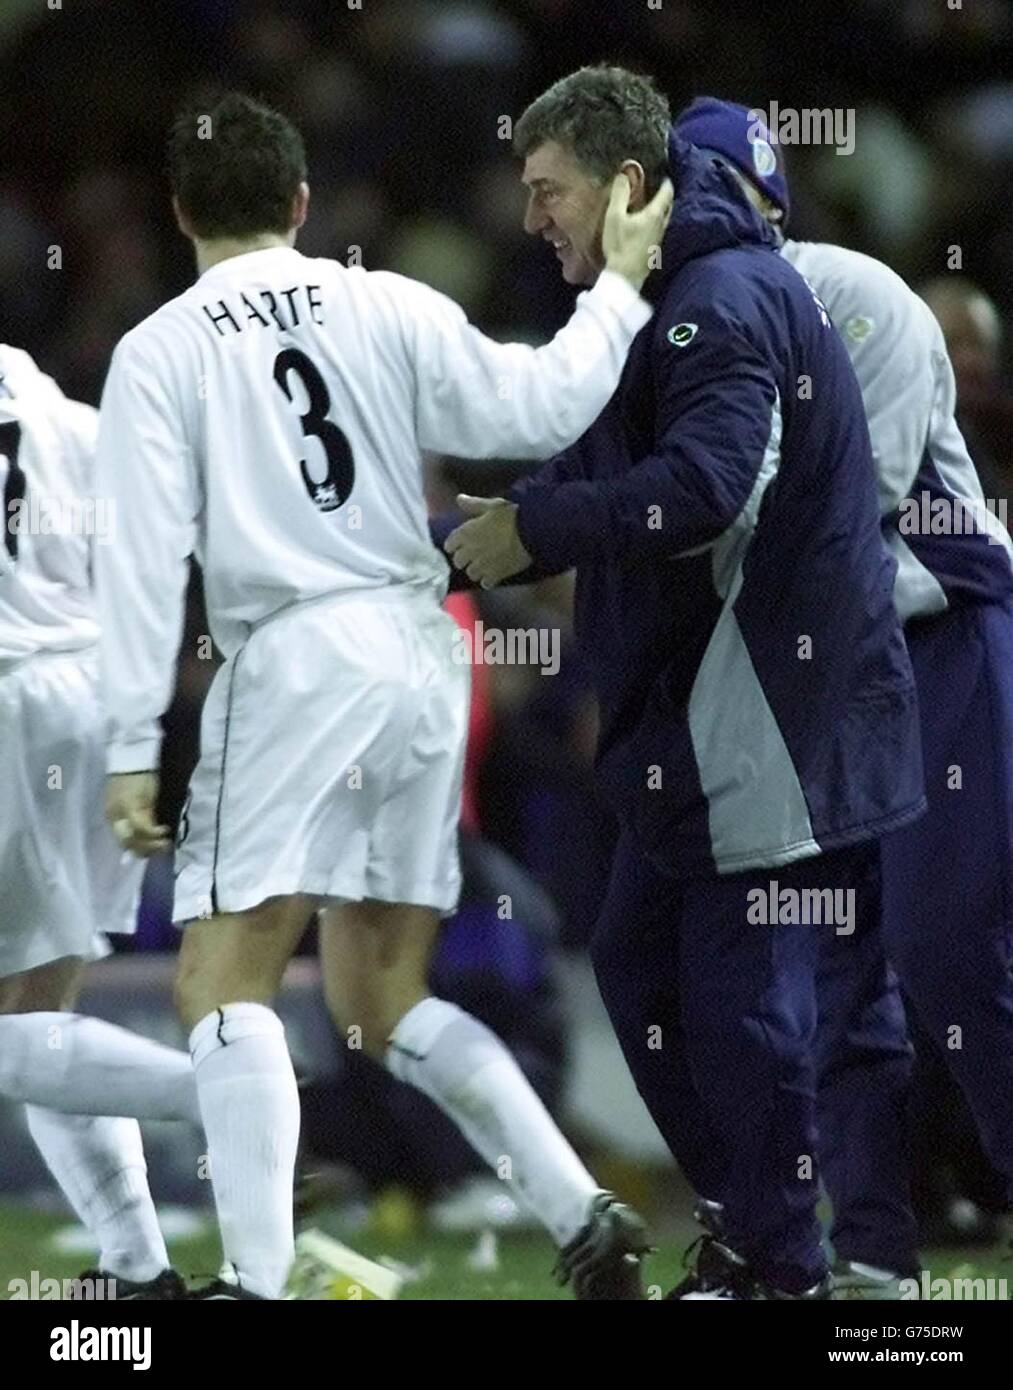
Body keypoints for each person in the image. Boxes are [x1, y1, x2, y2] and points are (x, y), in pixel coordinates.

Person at [95, 91, 673, 1301]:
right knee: (378, 995)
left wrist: (132, 744)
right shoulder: (388, 302)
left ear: (180, 209)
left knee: (221, 979)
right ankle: (580, 1212)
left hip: (295, 656)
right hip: (423, 649)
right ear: (302, 204)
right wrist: (617, 288)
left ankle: (255, 1286)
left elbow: (142, 562)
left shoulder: (159, 349)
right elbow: (533, 409)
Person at [444, 65, 925, 1300]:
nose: (531, 216)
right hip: (691, 709)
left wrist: (535, 532)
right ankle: (757, 1229)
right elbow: (595, 447)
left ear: (624, 185)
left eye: (546, 190)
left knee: (735, 1000)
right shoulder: (655, 297)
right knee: (636, 966)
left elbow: (702, 488)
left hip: (764, 707)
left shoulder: (717, 298)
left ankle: (786, 1267)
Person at [671, 97, 1013, 1291]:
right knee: (837, 969)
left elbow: (844, 513)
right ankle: (872, 1257)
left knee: (947, 951)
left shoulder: (854, 293)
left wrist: (671, 519)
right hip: (808, 670)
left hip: (933, 636)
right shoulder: (671, 332)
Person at [0, 343, 203, 1300]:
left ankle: (237, 1095)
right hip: (92, 697)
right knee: (40, 1020)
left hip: (9, 707)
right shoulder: (56, 408)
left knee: (19, 1033)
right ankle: (137, 1268)